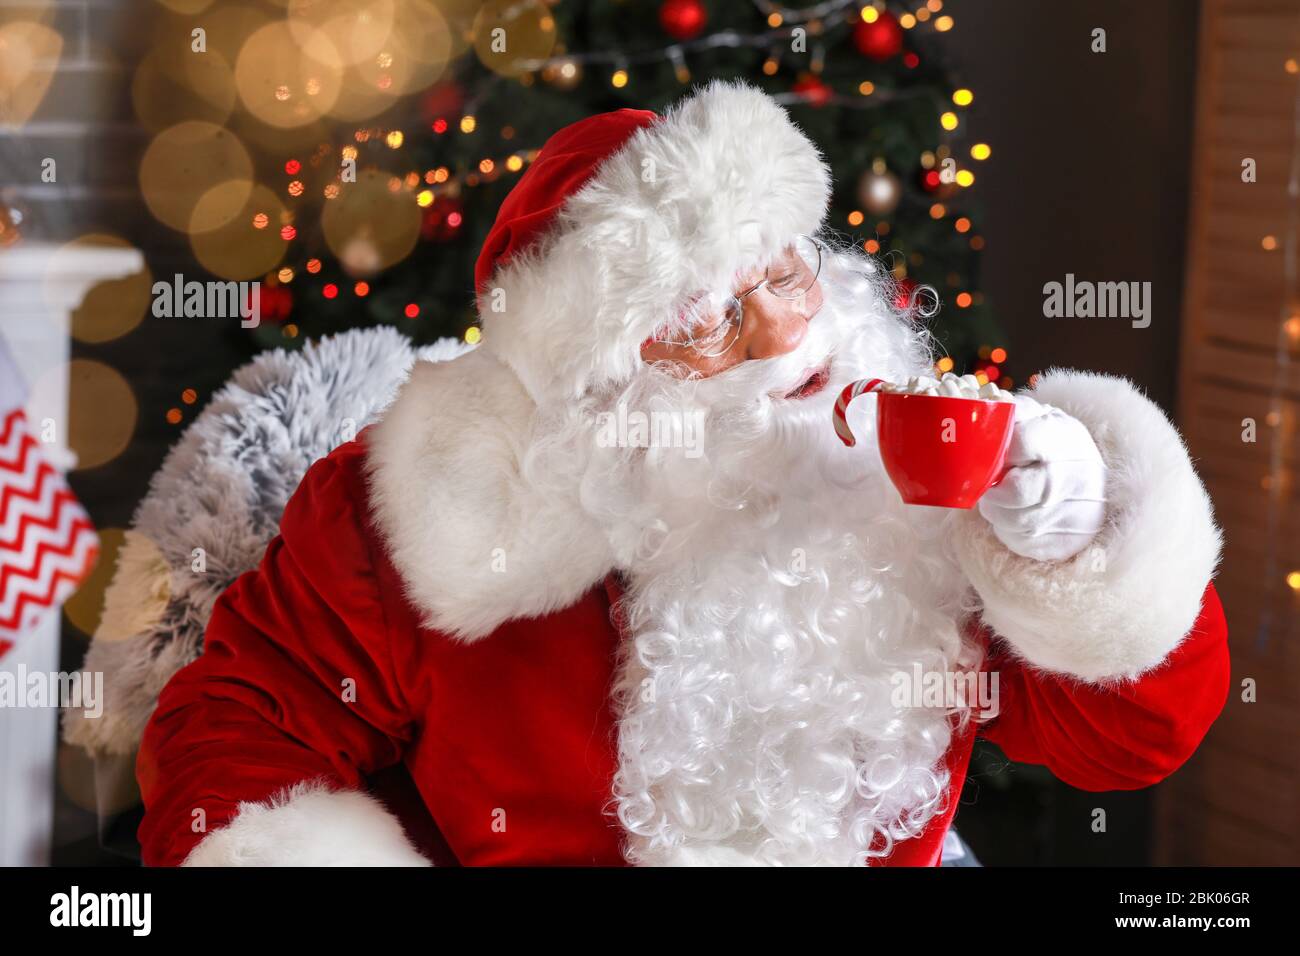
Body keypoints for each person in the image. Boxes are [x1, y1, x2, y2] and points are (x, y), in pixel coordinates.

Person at [136, 80, 1228, 867]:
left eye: (785, 274)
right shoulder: (415, 510)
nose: (784, 337)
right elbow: (239, 726)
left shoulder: (910, 475)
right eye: (708, 319)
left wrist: (1079, 533)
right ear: (598, 383)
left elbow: (1130, 739)